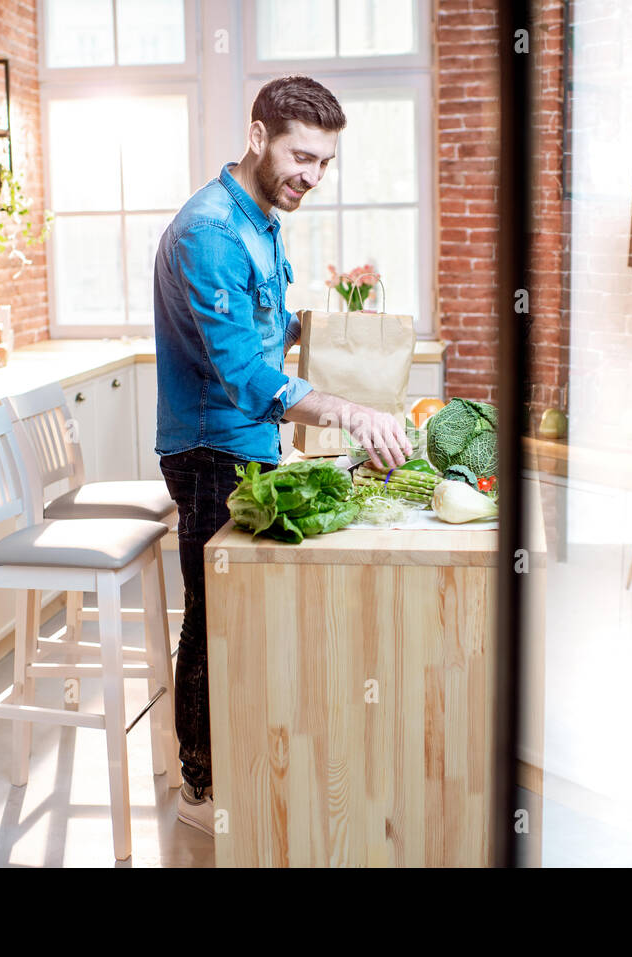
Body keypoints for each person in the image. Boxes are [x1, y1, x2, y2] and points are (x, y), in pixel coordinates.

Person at [152, 75, 411, 835]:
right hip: (210, 451)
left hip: (248, 442)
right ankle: (200, 784)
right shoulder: (209, 231)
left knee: (242, 615)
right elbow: (242, 372)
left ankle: (249, 750)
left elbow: (263, 331)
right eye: (303, 156)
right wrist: (349, 411)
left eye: (326, 162)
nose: (313, 176)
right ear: (258, 135)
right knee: (211, 615)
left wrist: (329, 328)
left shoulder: (261, 217)